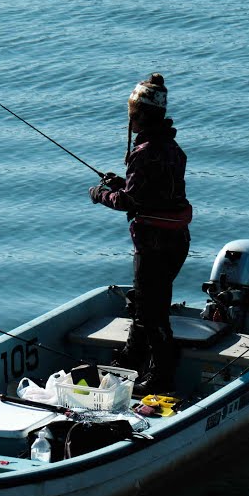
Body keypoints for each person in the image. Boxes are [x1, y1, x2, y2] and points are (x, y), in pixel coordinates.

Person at [89, 73, 193, 393]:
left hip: (155, 244)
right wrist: (122, 182)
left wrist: (101, 194)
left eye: (133, 115)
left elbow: (129, 202)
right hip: (176, 241)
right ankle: (133, 356)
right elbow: (154, 193)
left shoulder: (144, 152)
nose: (130, 121)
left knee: (153, 310)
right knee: (147, 300)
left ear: (142, 116)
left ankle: (161, 372)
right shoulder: (172, 148)